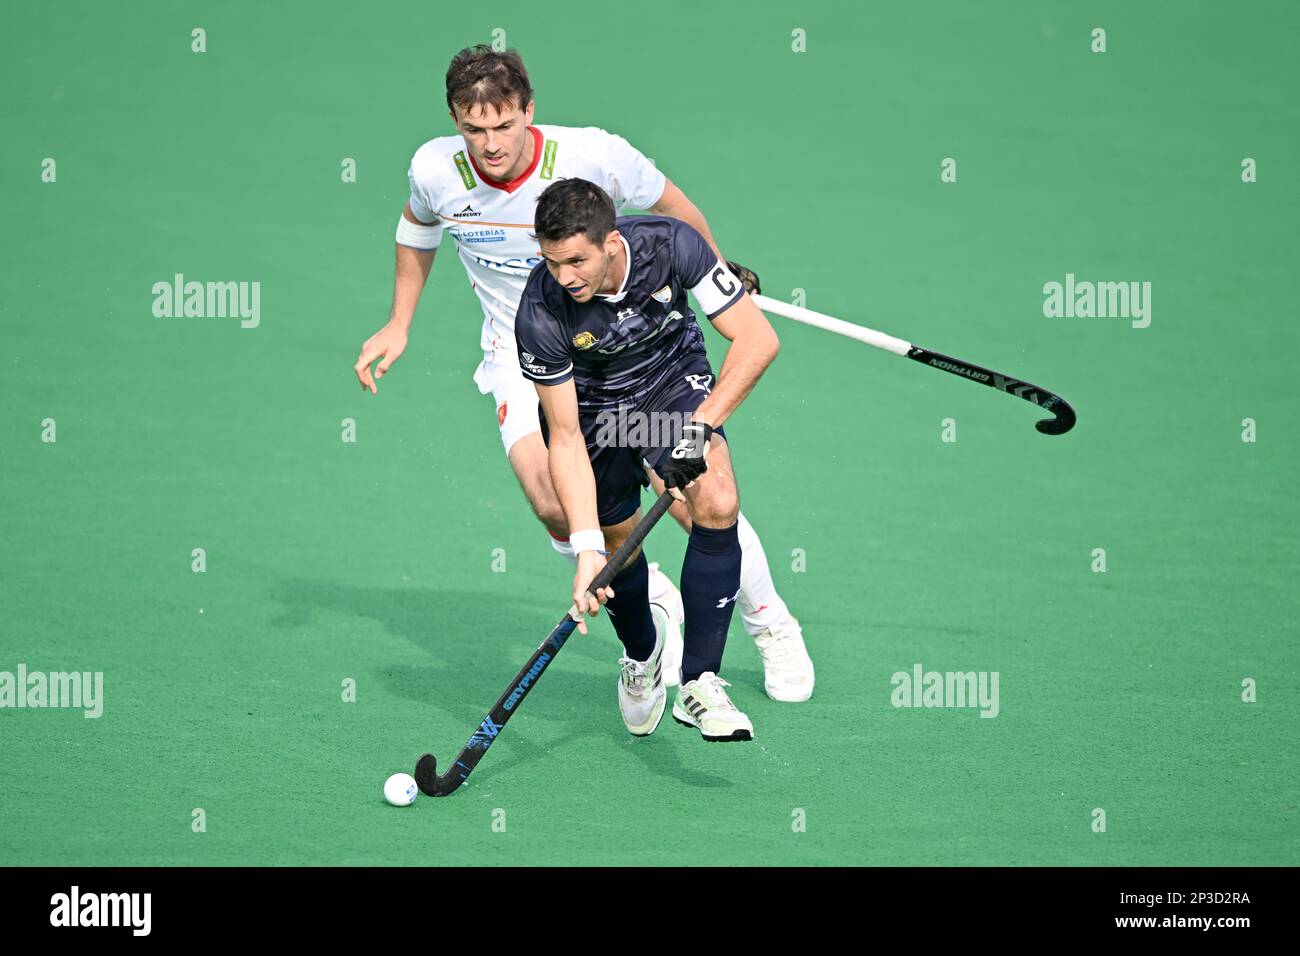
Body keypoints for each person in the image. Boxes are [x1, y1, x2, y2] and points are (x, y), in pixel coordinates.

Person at [353, 45, 812, 700]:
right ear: (455, 120)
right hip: (525, 354)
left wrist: (715, 278)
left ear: (528, 111)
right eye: (473, 128)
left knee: (693, 493)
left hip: (626, 346)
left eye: (503, 125)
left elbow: (673, 208)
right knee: (555, 503)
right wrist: (399, 322)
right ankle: (646, 598)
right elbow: (417, 229)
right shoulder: (435, 170)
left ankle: (769, 620)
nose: (489, 144)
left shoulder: (592, 156)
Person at [515, 177, 778, 740]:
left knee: (717, 497)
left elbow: (757, 341)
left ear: (611, 241)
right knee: (617, 544)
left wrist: (699, 426)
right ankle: (642, 654)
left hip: (668, 386)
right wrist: (583, 549)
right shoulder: (541, 310)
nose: (564, 277)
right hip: (592, 412)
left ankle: (701, 683)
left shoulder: (673, 245)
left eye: (576, 261)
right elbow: (562, 438)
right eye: (551, 262)